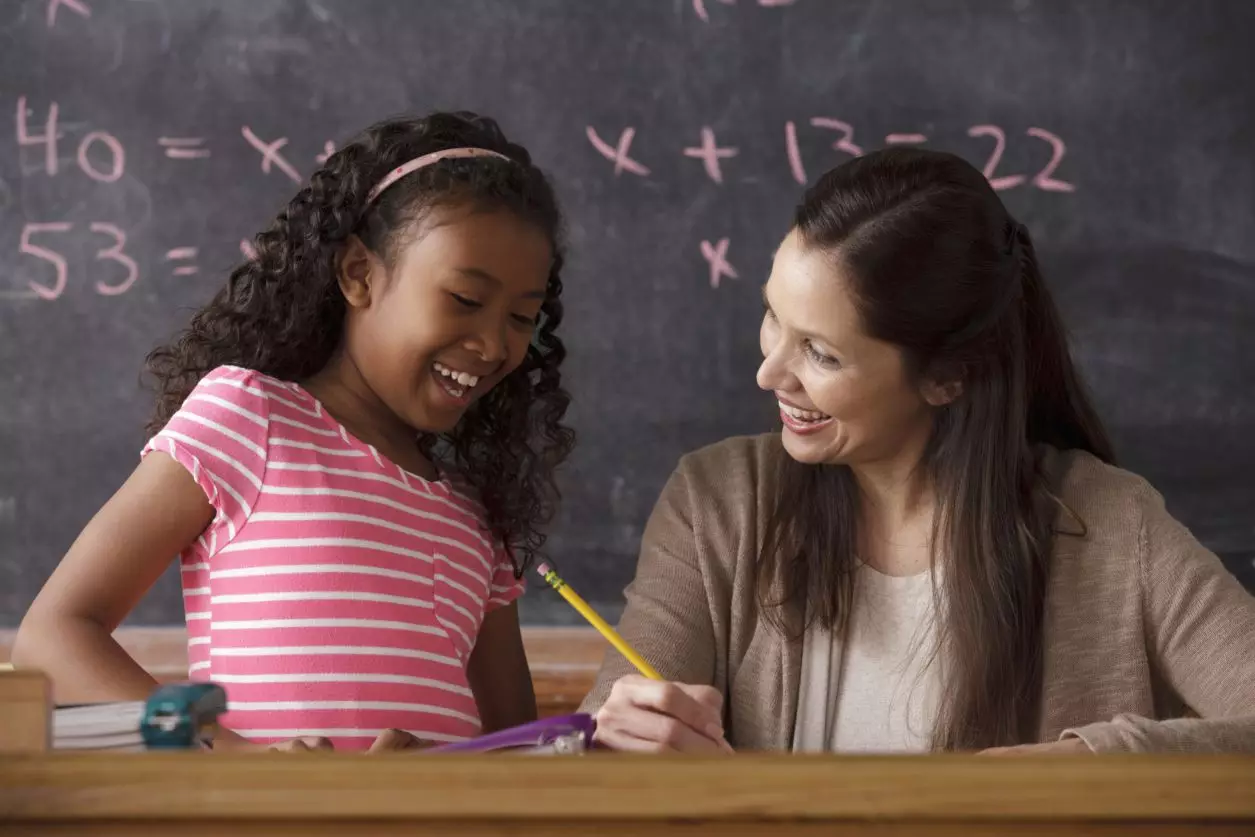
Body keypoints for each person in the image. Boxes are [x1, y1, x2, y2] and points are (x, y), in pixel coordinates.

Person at [581, 148, 1255, 755]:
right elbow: (598, 739)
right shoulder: (716, 502)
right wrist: (621, 739)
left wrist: (1082, 765)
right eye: (772, 320)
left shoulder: (1109, 524)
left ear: (946, 376)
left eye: (820, 353)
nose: (770, 373)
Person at [13, 111, 574, 752]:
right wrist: (242, 764)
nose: (491, 343)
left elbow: (519, 754)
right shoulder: (251, 418)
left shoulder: (476, 512)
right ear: (359, 274)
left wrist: (443, 774)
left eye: (522, 317)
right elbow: (53, 636)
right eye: (466, 301)